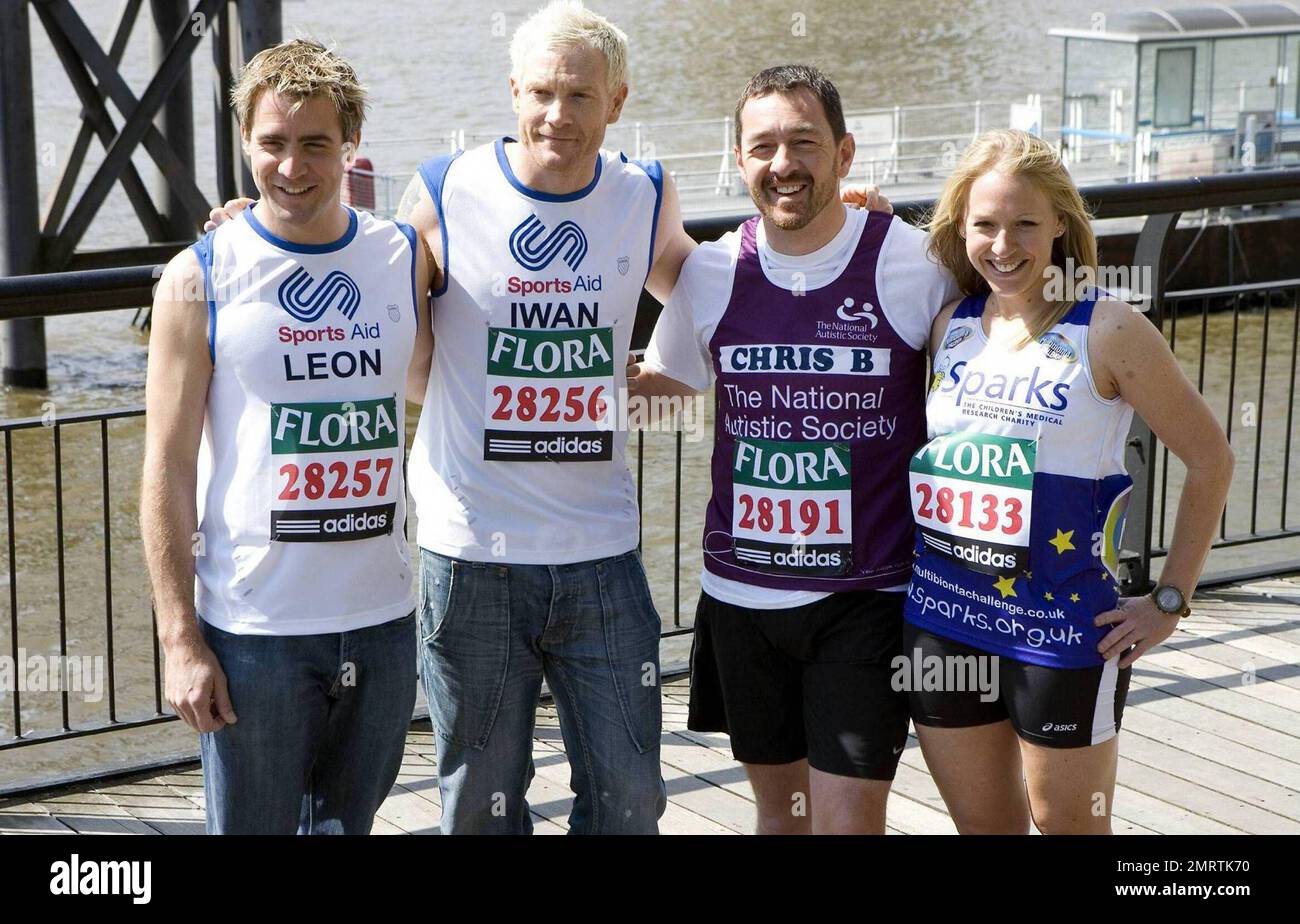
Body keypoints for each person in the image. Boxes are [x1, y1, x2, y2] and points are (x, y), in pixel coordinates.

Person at [632, 64, 959, 834]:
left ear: (845, 155)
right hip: (742, 599)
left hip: (865, 598)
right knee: (782, 814)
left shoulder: (916, 263)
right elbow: (660, 388)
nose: (784, 164)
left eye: (804, 142)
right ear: (739, 161)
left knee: (847, 821)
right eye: (764, 146)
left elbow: (1003, 353)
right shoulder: (712, 272)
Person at [903, 128, 1234, 834]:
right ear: (961, 227)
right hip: (945, 621)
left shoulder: (1107, 328)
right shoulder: (948, 325)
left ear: (1061, 224)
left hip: (1059, 630)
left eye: (1026, 223)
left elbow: (1211, 459)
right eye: (985, 224)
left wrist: (1170, 598)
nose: (1003, 244)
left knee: (1069, 826)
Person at [141, 39, 433, 834]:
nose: (292, 167)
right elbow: (164, 467)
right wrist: (180, 639)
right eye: (273, 144)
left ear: (350, 147)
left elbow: (471, 360)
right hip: (255, 632)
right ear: (245, 143)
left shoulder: (402, 254)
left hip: (381, 620)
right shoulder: (199, 274)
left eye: (315, 145)